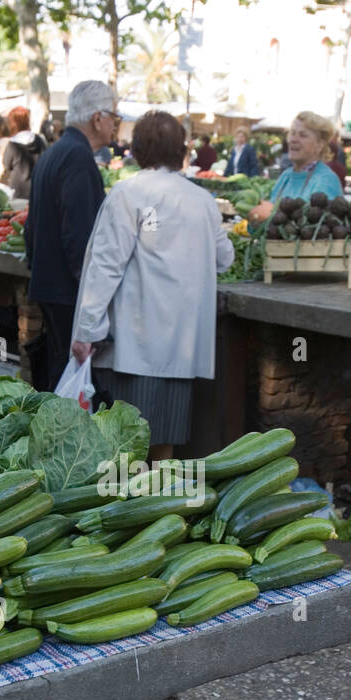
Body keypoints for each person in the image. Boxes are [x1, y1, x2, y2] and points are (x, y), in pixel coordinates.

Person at [71, 110, 234, 458]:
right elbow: (225, 258)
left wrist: (86, 331)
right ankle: (158, 508)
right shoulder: (203, 201)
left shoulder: (128, 194)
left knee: (122, 447)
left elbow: (105, 266)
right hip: (182, 347)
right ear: (182, 150)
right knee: (163, 445)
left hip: (135, 345)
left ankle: (128, 508)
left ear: (137, 149)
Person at [24, 79, 117, 389]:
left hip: (50, 286)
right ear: (97, 118)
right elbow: (80, 239)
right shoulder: (77, 158)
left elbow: (31, 230)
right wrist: (92, 298)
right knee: (67, 387)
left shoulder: (54, 153)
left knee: (58, 381)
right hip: (67, 293)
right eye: (113, 116)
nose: (115, 124)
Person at [250, 112, 344, 222]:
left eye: (302, 135)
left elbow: (320, 229)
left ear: (320, 144)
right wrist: (255, 218)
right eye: (292, 133)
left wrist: (273, 214)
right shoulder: (286, 176)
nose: (293, 139)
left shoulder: (326, 180)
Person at [0, 107, 46, 197]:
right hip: (37, 188)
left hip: (18, 191)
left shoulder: (12, 144)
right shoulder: (39, 141)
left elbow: (6, 165)